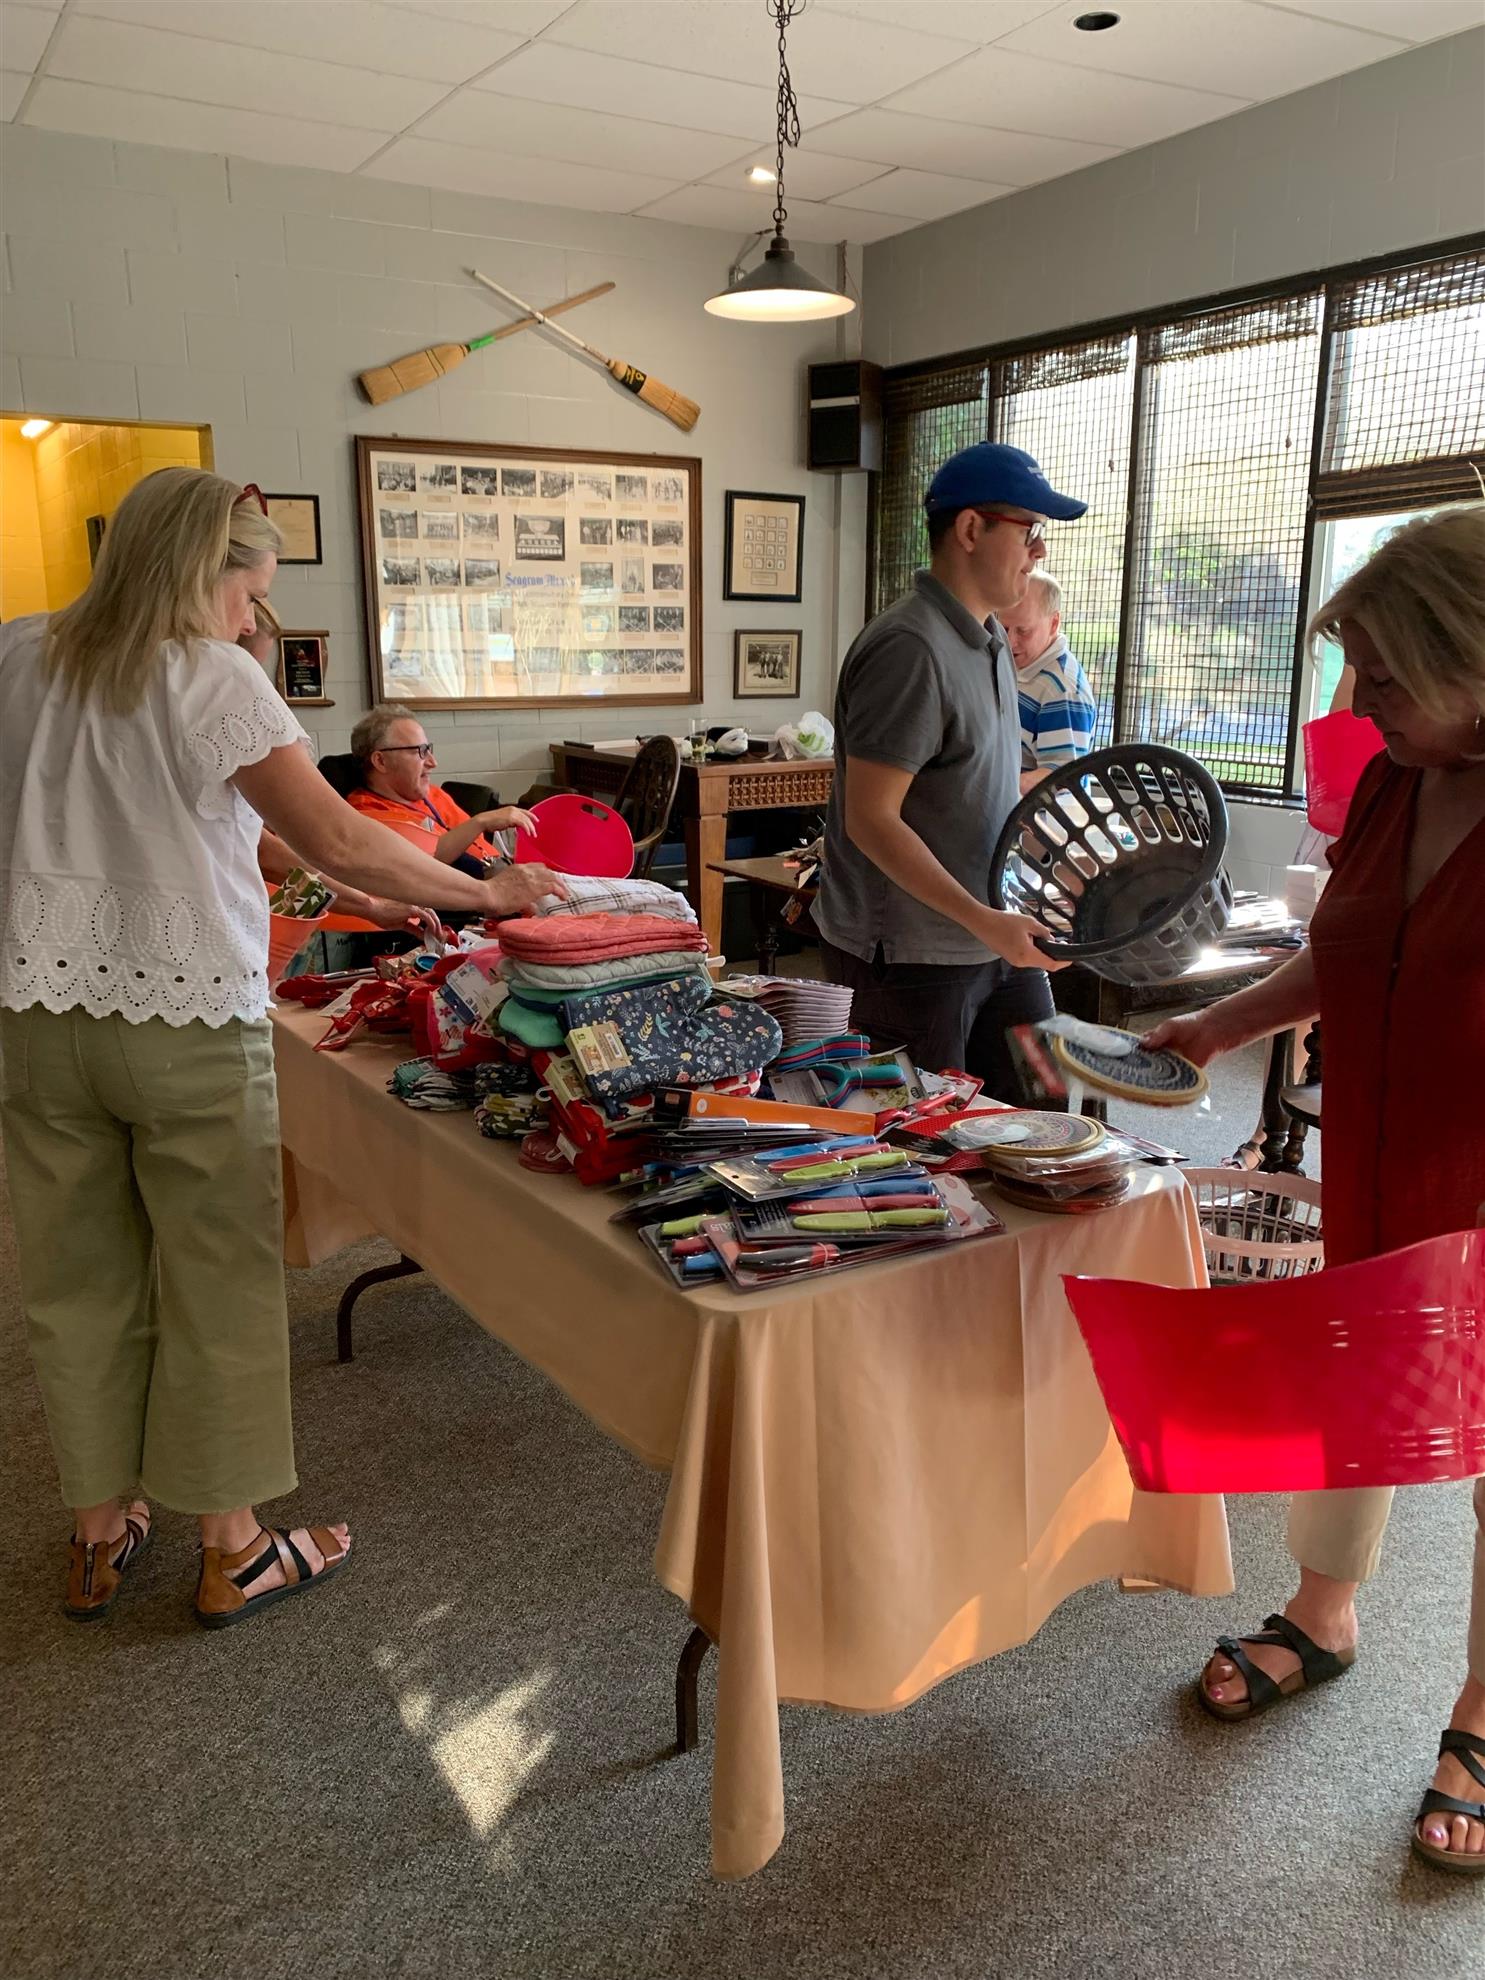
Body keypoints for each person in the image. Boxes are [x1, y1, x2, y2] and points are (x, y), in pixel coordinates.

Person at [0, 468, 564, 1628]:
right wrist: (482, 887)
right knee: (216, 1279)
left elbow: (222, 837)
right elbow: (343, 837)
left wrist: (333, 888)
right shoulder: (208, 677)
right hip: (186, 1022)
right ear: (198, 573)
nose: (253, 621)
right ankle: (235, 1544)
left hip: (37, 1014)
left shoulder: (20, 653)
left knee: (75, 1280)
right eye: (248, 594)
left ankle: (100, 1529)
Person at [1144, 505, 1485, 1874]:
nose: (1361, 705)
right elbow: (1351, 952)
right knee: (1359, 1411)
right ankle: (1323, 1613)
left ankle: (1481, 1711)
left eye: (1386, 677)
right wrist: (1215, 1029)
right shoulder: (1403, 777)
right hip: (1378, 1173)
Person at [813, 442, 1084, 1100]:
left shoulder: (991, 640)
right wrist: (981, 918)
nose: (1037, 550)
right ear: (970, 529)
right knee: (920, 1143)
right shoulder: (910, 647)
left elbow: (982, 789)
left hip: (994, 937)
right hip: (910, 955)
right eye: (1028, 530)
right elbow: (871, 821)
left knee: (1045, 1109)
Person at [347, 705, 535, 879]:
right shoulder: (368, 817)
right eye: (419, 751)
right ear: (381, 761)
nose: (432, 762)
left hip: (506, 879)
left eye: (428, 749)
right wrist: (480, 822)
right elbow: (423, 865)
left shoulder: (433, 795)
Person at [999, 570, 1098, 793]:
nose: (1010, 641)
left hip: (1041, 820)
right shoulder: (1019, 664)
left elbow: (1064, 778)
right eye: (1003, 628)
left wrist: (995, 781)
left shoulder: (1062, 690)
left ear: (1054, 623)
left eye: (1023, 631)